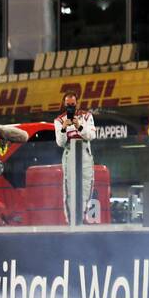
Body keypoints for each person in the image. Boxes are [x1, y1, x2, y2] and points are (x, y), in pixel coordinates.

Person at [55, 92, 96, 224]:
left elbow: (91, 135)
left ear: (77, 103)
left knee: (87, 185)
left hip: (84, 153)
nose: (71, 107)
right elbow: (60, 143)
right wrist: (63, 128)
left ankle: (83, 217)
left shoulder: (87, 116)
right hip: (69, 154)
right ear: (64, 104)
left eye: (73, 104)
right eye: (68, 105)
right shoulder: (59, 120)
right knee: (69, 189)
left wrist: (79, 126)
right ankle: (71, 222)